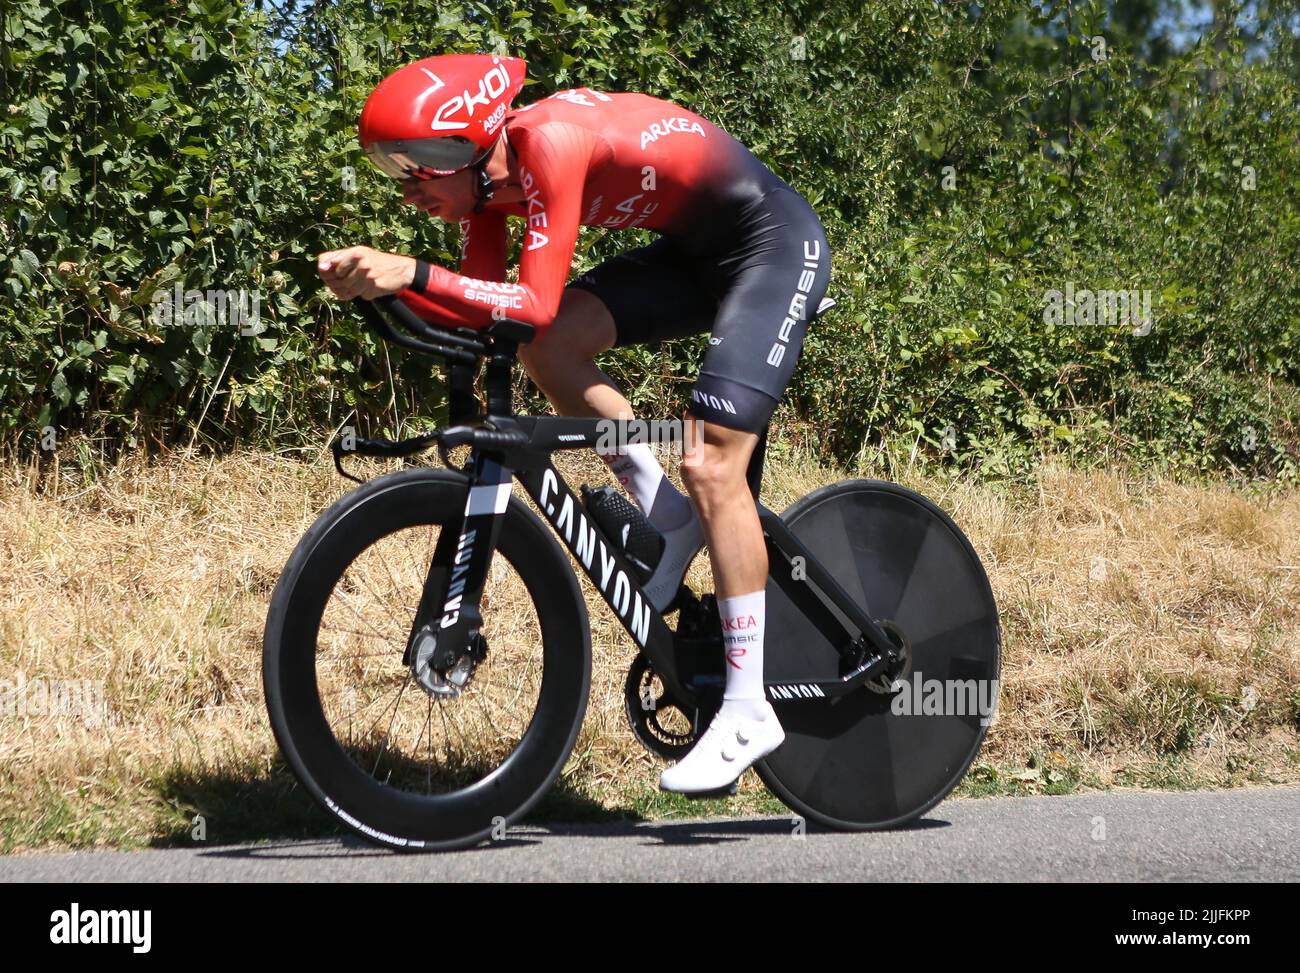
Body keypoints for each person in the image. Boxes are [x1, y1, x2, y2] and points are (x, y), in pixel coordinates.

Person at [318, 53, 831, 795]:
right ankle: (668, 518)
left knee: (712, 461)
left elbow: (530, 300)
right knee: (548, 353)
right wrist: (377, 289)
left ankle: (749, 707)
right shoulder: (487, 191)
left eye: (417, 166)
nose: (408, 190)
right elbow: (495, 312)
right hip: (693, 256)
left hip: (771, 245)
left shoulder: (549, 142)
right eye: (394, 170)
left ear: (464, 142)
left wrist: (413, 273)